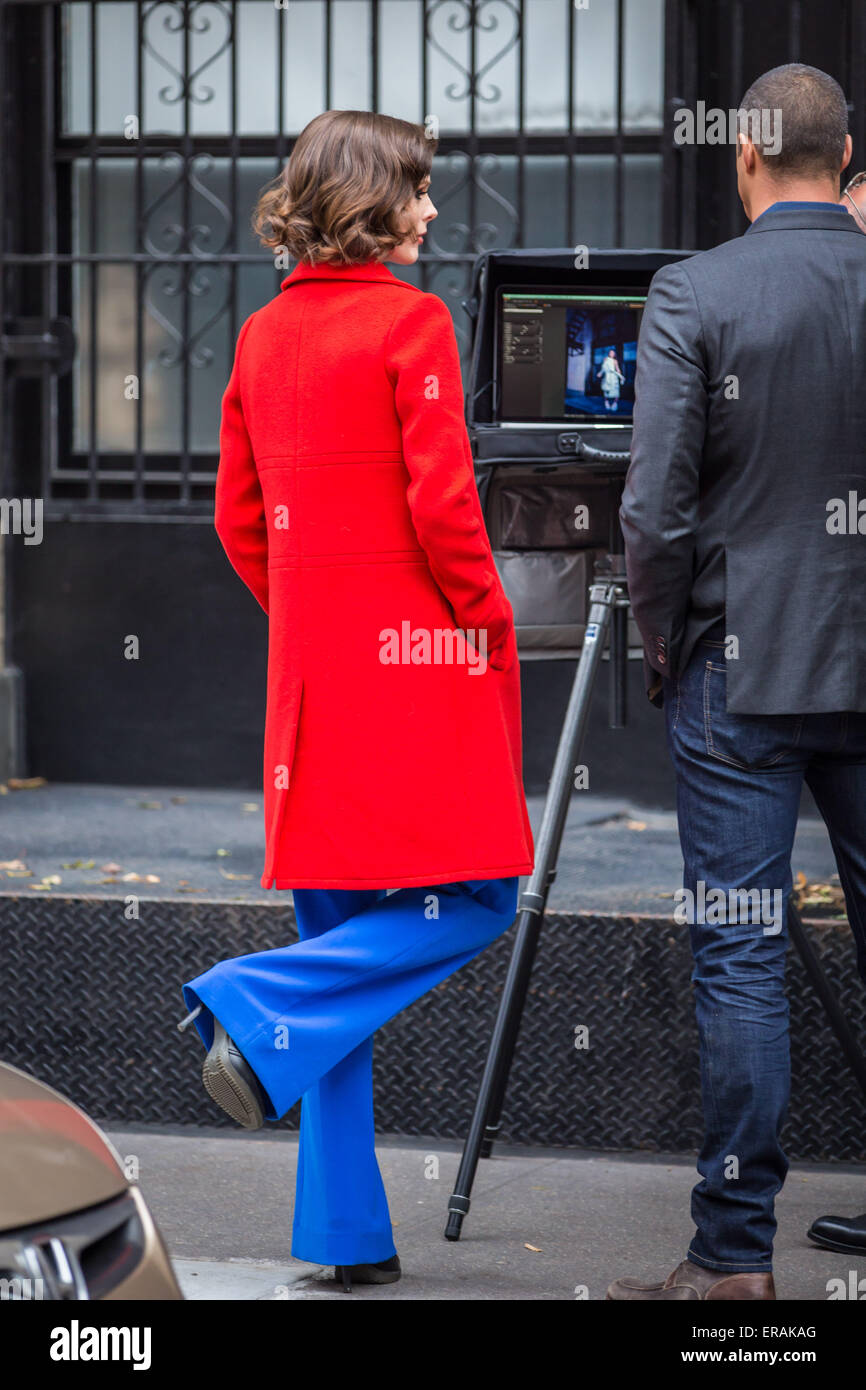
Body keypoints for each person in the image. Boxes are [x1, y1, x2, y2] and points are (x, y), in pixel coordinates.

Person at [177, 109, 533, 1293]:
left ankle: (343, 1237)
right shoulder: (413, 323)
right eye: (419, 192)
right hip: (419, 676)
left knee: (335, 949)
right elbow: (445, 512)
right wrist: (484, 626)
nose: (432, 211)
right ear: (372, 203)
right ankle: (249, 998)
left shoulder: (262, 334)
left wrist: (316, 613)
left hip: (314, 690)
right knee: (483, 892)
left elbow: (235, 517)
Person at [610, 64, 866, 1301]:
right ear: (845, 152)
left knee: (741, 954)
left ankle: (729, 1265)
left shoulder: (693, 291)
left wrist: (662, 646)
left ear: (742, 158)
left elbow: (651, 510)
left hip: (741, 667)